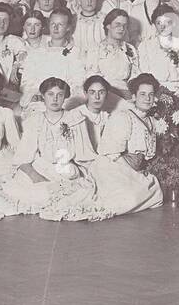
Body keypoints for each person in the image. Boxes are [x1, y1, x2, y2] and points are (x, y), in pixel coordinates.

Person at [40, 73, 166, 221]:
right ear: (134, 96)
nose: (147, 98)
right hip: (111, 167)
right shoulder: (123, 117)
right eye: (142, 94)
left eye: (151, 94)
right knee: (131, 197)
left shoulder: (151, 121)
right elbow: (110, 153)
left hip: (128, 170)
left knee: (155, 193)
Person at [0, 76, 97, 216]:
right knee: (19, 191)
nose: (55, 99)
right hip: (41, 167)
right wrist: (37, 178)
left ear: (65, 97)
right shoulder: (35, 120)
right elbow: (23, 157)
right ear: (43, 96)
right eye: (50, 94)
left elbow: (85, 155)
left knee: (78, 193)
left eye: (60, 95)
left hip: (65, 170)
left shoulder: (75, 119)